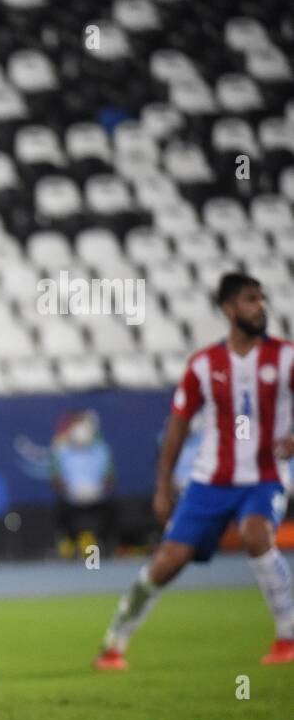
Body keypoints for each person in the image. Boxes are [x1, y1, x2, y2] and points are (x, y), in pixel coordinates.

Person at [96, 273, 294, 668]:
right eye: (250, 299)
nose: (260, 307)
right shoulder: (204, 365)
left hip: (264, 476)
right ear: (228, 309)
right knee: (168, 561)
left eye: (261, 299)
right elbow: (178, 426)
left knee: (258, 534)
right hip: (209, 482)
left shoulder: (286, 357)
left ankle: (287, 639)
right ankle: (114, 642)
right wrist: (163, 486)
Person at [51, 410, 116, 557]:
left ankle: (100, 542)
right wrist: (67, 490)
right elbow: (56, 477)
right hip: (71, 494)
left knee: (110, 507)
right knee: (60, 507)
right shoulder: (62, 450)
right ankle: (67, 542)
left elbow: (109, 478)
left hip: (96, 494)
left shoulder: (101, 450)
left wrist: (100, 490)